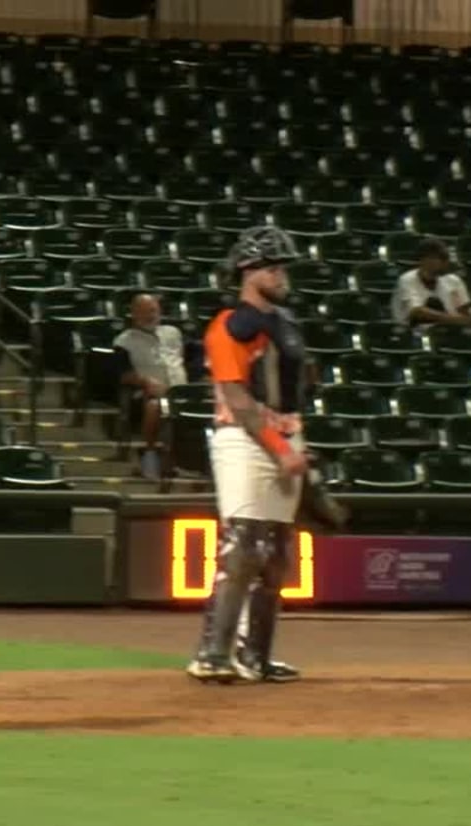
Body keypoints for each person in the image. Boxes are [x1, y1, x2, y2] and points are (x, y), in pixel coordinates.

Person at [187, 227, 310, 686]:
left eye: (282, 267)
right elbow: (237, 398)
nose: (281, 275)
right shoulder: (228, 325)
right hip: (241, 438)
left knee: (276, 553)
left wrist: (296, 442)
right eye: (273, 267)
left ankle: (255, 657)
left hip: (285, 435)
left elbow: (294, 393)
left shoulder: (286, 323)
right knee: (241, 545)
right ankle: (212, 653)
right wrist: (279, 449)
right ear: (248, 272)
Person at [114, 293, 190, 480]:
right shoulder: (124, 341)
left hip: (182, 390)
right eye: (144, 311)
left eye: (153, 311)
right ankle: (150, 455)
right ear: (133, 313)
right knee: (154, 406)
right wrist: (146, 381)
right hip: (147, 392)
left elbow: (188, 361)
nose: (150, 316)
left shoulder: (173, 333)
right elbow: (123, 375)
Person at [391, 237, 471, 327]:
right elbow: (417, 312)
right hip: (413, 331)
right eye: (436, 258)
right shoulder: (407, 279)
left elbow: (467, 311)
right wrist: (454, 319)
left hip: (450, 331)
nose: (442, 263)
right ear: (423, 260)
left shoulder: (453, 281)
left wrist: (469, 316)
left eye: (443, 259)